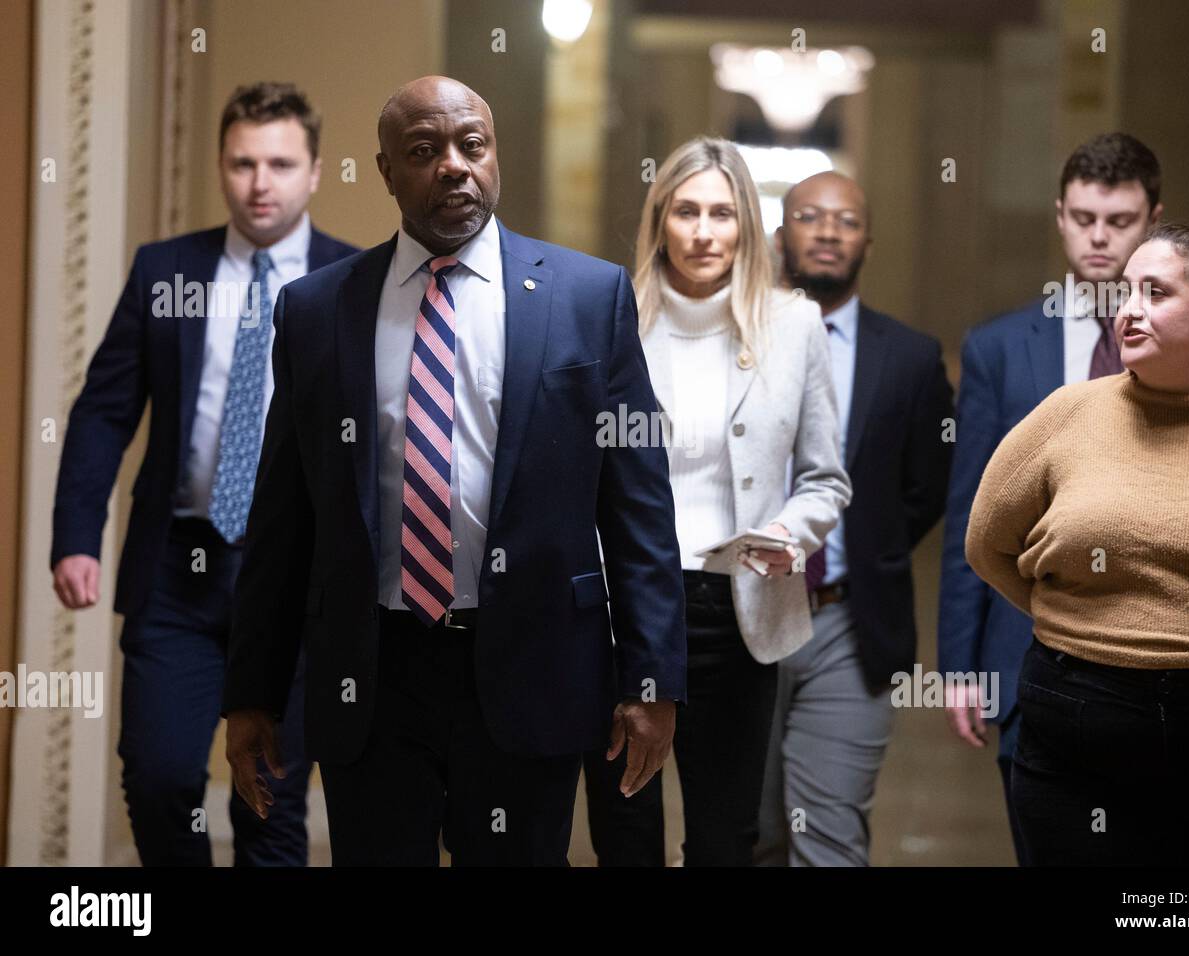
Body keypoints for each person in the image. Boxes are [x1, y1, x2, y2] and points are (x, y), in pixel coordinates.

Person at [220, 75, 686, 866]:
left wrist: (651, 679)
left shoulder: (586, 297)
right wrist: (253, 694)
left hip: (531, 660)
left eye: (473, 145)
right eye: (425, 151)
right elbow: (282, 519)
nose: (455, 167)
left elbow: (636, 506)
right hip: (374, 673)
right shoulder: (318, 310)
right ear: (385, 171)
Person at [49, 82, 356, 866]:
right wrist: (76, 537)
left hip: (292, 580)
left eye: (281, 163)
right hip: (178, 574)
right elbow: (103, 411)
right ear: (221, 167)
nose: (261, 182)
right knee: (157, 778)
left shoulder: (354, 284)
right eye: (244, 162)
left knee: (272, 802)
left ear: (315, 172)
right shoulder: (166, 270)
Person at [966, 221, 1189, 865]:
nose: (1129, 311)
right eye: (1126, 292)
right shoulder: (1067, 415)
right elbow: (988, 546)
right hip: (1081, 726)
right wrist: (1085, 626)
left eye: (1156, 292)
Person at [582, 137, 851, 866]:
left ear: (748, 226)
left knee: (727, 837)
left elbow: (827, 479)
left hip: (741, 610)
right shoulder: (609, 320)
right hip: (628, 610)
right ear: (659, 220)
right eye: (687, 211)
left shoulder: (792, 325)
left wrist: (789, 533)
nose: (704, 232)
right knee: (625, 832)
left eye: (724, 214)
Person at [937, 132, 1163, 862]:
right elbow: (972, 510)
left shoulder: (1183, 337)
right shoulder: (1000, 347)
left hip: (1157, 644)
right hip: (1026, 646)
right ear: (1059, 216)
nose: (1100, 237)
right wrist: (959, 665)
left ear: (1152, 219)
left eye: (1120, 220)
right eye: (1084, 217)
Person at [754, 172, 953, 866]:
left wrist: (867, 549)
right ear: (781, 237)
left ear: (868, 240)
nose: (830, 230)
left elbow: (928, 487)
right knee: (748, 835)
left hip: (849, 624)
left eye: (846, 219)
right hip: (738, 616)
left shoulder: (910, 358)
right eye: (811, 216)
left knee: (829, 838)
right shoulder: (729, 340)